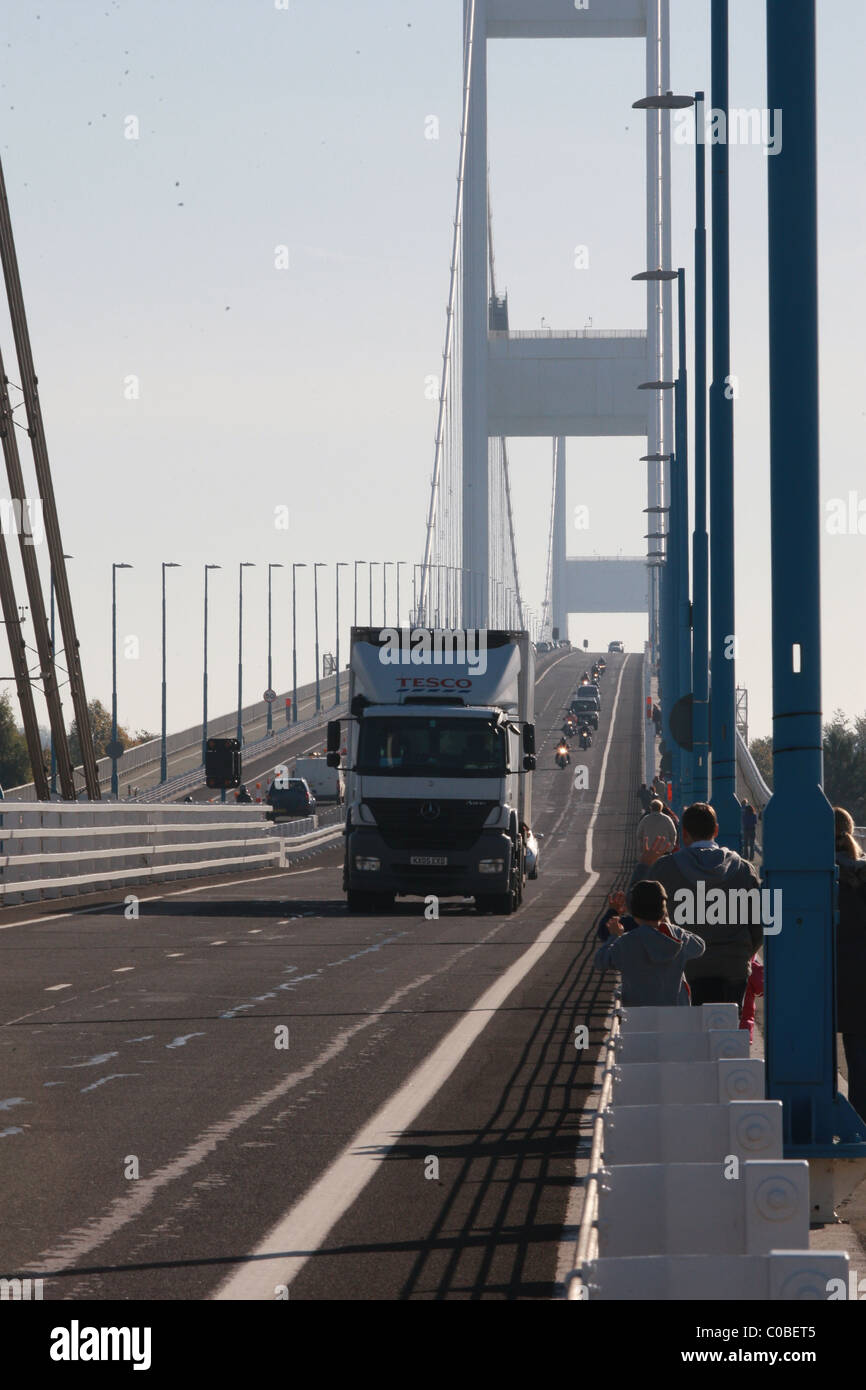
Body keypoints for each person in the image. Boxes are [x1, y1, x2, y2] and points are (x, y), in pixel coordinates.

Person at [629, 802, 763, 1007]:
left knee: (684, 1034)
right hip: (732, 968)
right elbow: (758, 927)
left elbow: (636, 908)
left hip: (682, 971)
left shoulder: (664, 869)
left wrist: (644, 866)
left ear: (684, 834)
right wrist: (741, 953)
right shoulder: (744, 870)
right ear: (716, 830)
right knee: (726, 1032)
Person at [594, 879, 705, 1007]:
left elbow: (600, 961)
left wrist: (614, 936)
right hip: (676, 1014)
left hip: (639, 1015)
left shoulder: (626, 942)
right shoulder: (676, 937)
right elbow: (699, 946)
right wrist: (670, 926)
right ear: (663, 910)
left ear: (633, 910)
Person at [834, 807, 866, 1121]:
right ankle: (861, 1121)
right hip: (862, 974)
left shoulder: (816, 874)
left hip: (830, 974)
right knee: (859, 1054)